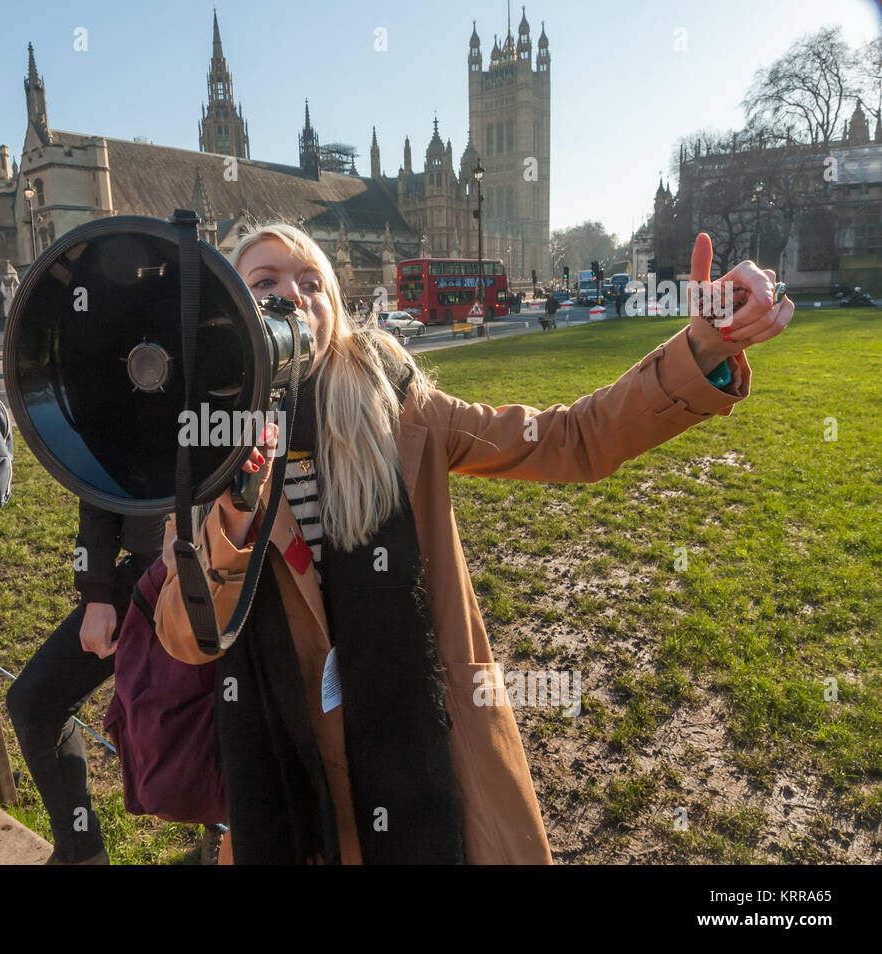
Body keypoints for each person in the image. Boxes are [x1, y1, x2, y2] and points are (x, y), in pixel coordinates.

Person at [152, 223, 792, 865]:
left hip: (428, 751)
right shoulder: (206, 448)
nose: (293, 297)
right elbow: (188, 636)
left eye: (311, 281)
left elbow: (568, 439)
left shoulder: (406, 412)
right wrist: (238, 507)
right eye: (265, 284)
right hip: (291, 773)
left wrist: (700, 346)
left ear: (336, 308)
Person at [5, 500, 165, 864]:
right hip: (149, 571)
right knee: (35, 704)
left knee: (226, 722)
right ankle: (81, 852)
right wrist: (96, 591)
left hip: (232, 571)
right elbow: (97, 488)